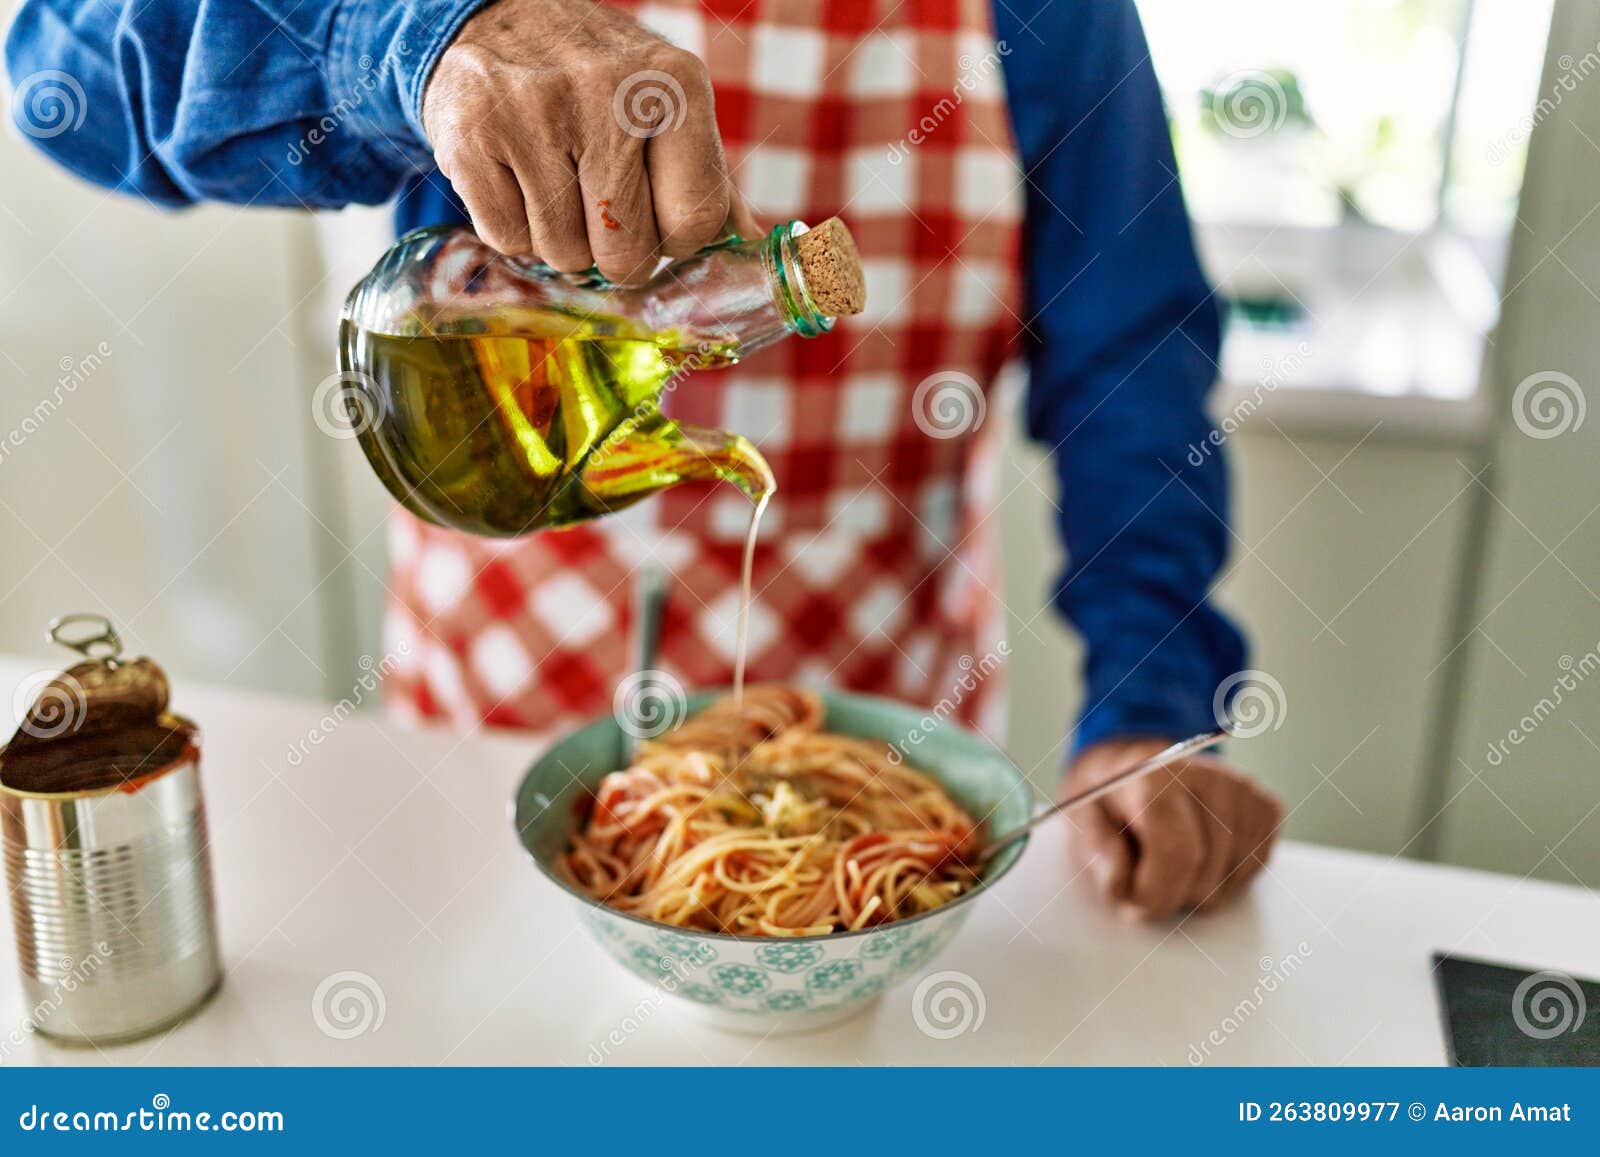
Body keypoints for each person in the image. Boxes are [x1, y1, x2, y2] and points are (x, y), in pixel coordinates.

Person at [6, 0, 1282, 919]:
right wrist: (415, 44)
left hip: (885, 753)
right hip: (487, 720)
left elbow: (1132, 369)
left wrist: (1155, 699)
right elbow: (59, 66)